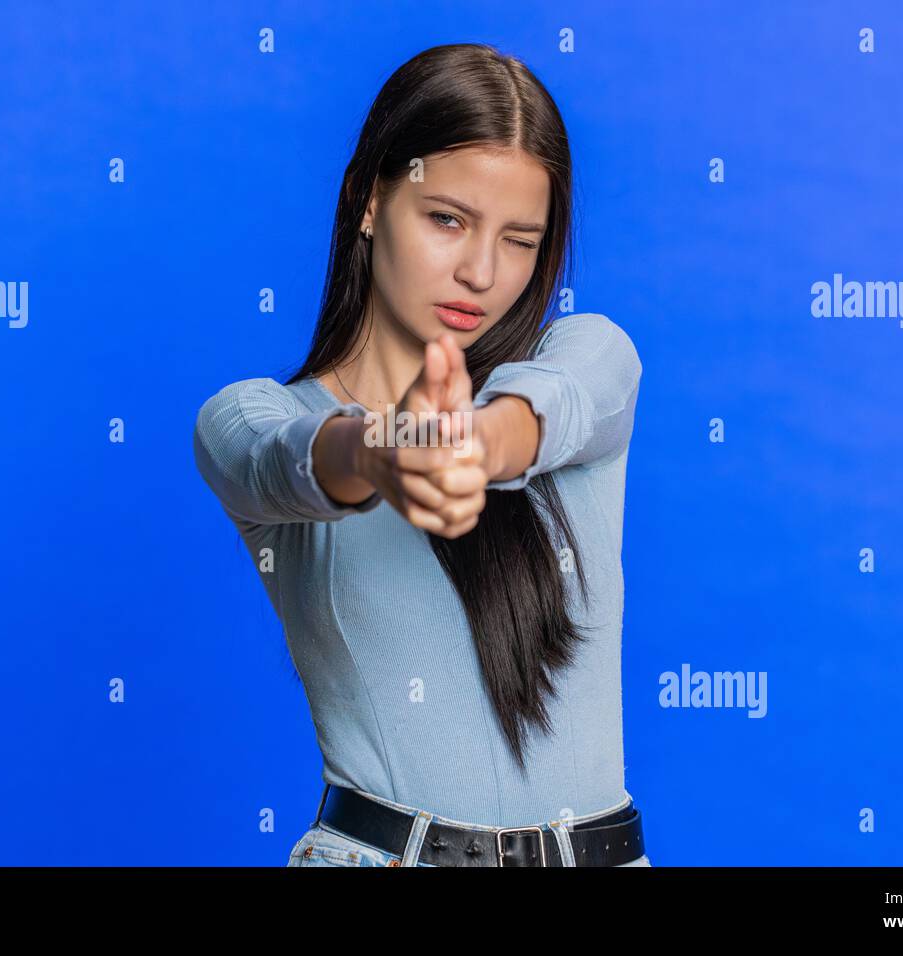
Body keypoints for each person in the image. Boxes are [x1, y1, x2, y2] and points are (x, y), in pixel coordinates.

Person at [194, 43, 648, 867]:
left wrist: (473, 442)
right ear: (370, 201)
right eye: (447, 219)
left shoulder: (583, 356)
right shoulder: (253, 415)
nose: (481, 272)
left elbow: (569, 402)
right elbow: (278, 458)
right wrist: (381, 450)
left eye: (520, 240)